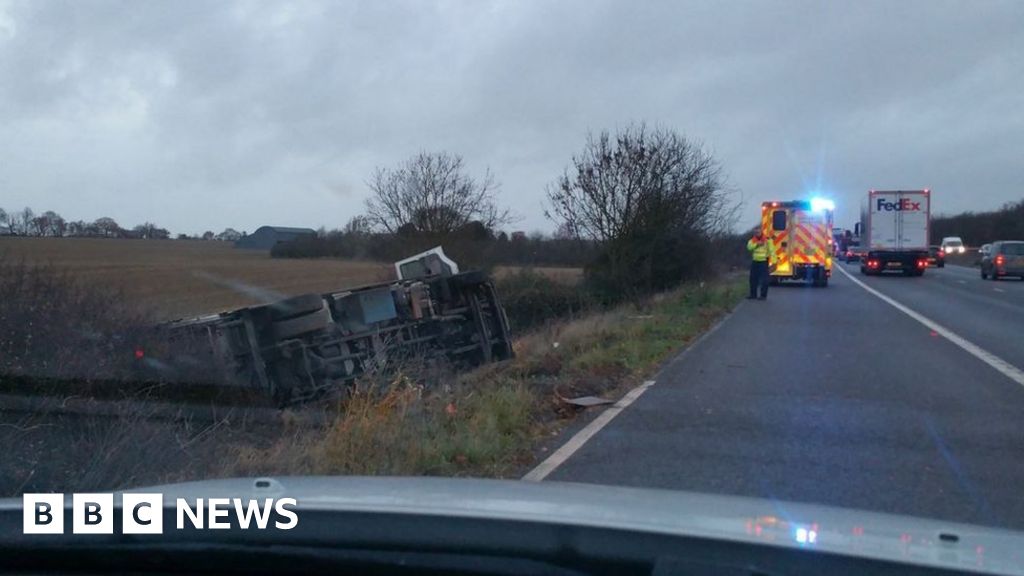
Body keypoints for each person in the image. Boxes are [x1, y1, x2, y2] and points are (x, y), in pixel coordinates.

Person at [746, 231, 774, 300]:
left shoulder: (767, 240)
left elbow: (772, 251)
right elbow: (749, 248)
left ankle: (763, 296)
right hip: (755, 261)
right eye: (756, 232)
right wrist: (757, 245)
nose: (757, 233)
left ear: (761, 233)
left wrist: (774, 262)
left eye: (758, 232)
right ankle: (753, 295)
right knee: (753, 278)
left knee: (764, 279)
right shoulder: (752, 240)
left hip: (764, 261)